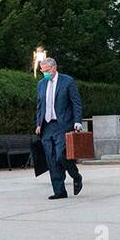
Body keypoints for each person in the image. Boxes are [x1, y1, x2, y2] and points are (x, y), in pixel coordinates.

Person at [35, 57, 84, 200]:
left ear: (54, 68)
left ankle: (76, 176)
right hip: (46, 126)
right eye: (42, 71)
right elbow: (40, 105)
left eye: (47, 70)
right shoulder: (41, 84)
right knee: (51, 159)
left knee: (61, 155)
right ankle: (59, 191)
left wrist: (77, 121)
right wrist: (38, 123)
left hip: (63, 124)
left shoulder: (67, 81)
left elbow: (76, 103)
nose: (45, 73)